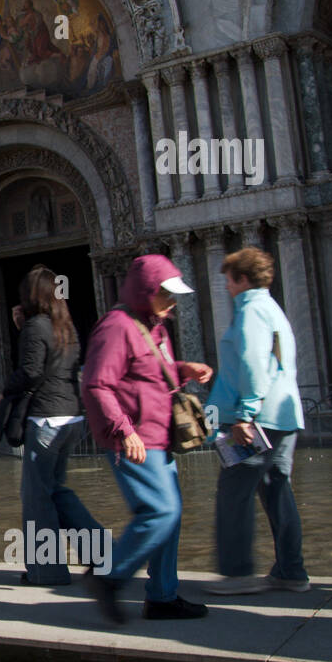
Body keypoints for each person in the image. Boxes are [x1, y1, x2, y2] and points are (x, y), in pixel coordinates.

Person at [81, 254, 214, 623]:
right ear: (147, 290)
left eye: (175, 295)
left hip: (158, 436)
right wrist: (125, 431)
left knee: (169, 516)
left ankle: (162, 596)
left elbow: (148, 372)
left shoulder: (153, 325)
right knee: (161, 511)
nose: (172, 302)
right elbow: (96, 384)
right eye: (166, 294)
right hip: (134, 440)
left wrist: (182, 370)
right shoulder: (116, 326)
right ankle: (108, 578)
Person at [205, 247, 310, 594]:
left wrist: (245, 415)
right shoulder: (273, 310)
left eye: (229, 280)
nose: (226, 287)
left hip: (257, 419)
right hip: (284, 416)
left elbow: (253, 366)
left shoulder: (250, 312)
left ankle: (237, 575)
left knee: (233, 492)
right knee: (277, 489)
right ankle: (291, 572)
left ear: (243, 279)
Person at [6, 265, 105, 585]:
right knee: (56, 492)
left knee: (36, 498)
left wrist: (6, 387)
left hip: (46, 420)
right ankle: (102, 555)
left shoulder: (37, 327)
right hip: (71, 418)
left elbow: (32, 372)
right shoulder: (67, 326)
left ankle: (46, 571)